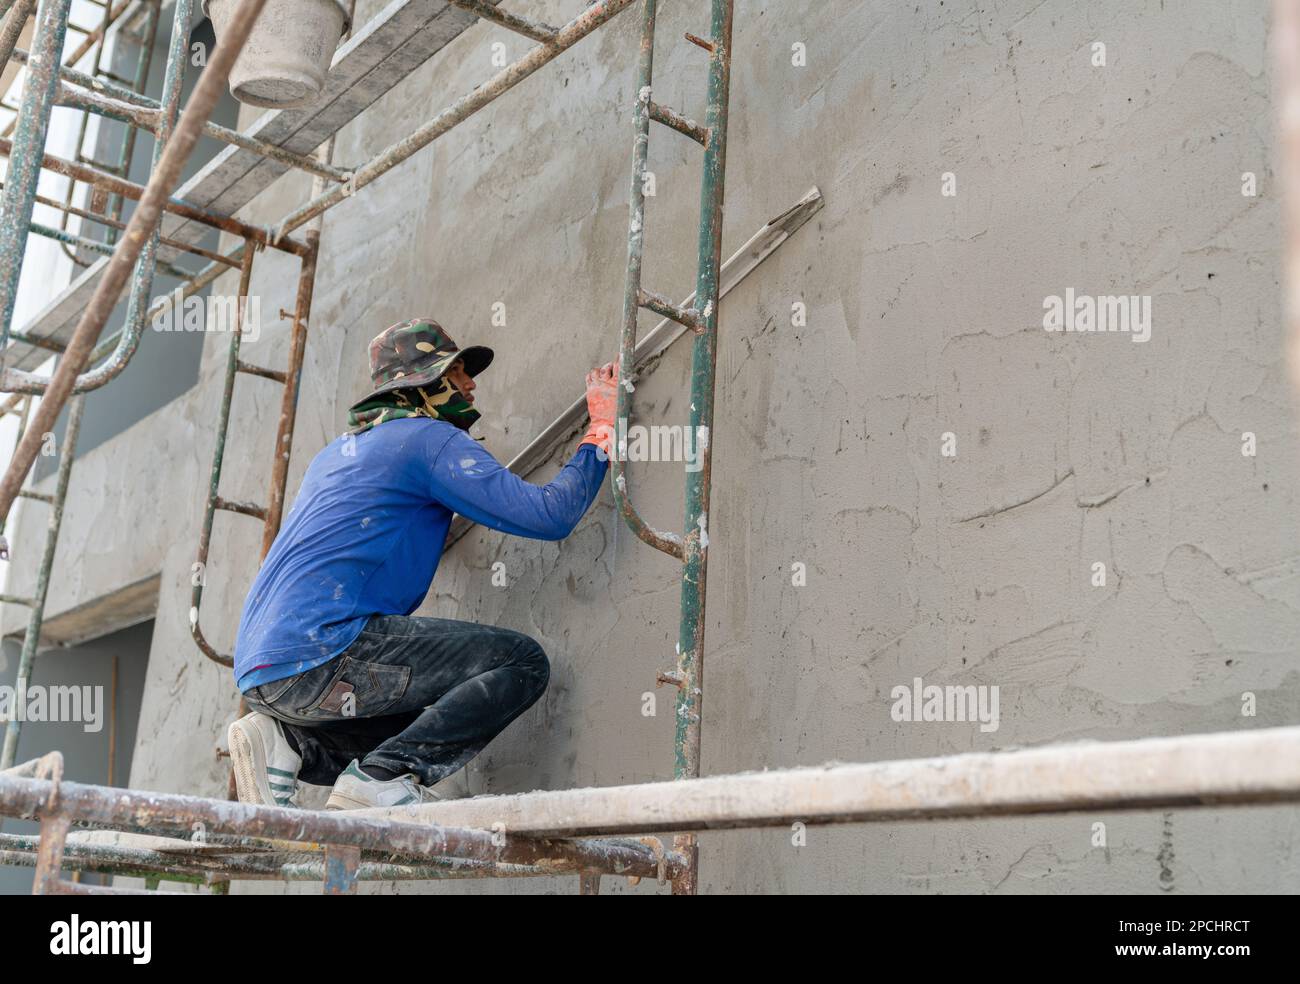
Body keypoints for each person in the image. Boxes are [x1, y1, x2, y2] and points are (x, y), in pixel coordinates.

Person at [226, 318, 616, 810]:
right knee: (520, 663)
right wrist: (602, 427)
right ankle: (382, 778)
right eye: (457, 372)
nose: (471, 384)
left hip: (267, 673)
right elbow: (550, 515)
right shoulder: (428, 439)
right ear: (424, 385)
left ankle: (292, 743)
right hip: (325, 649)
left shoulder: (335, 456)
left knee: (434, 713)